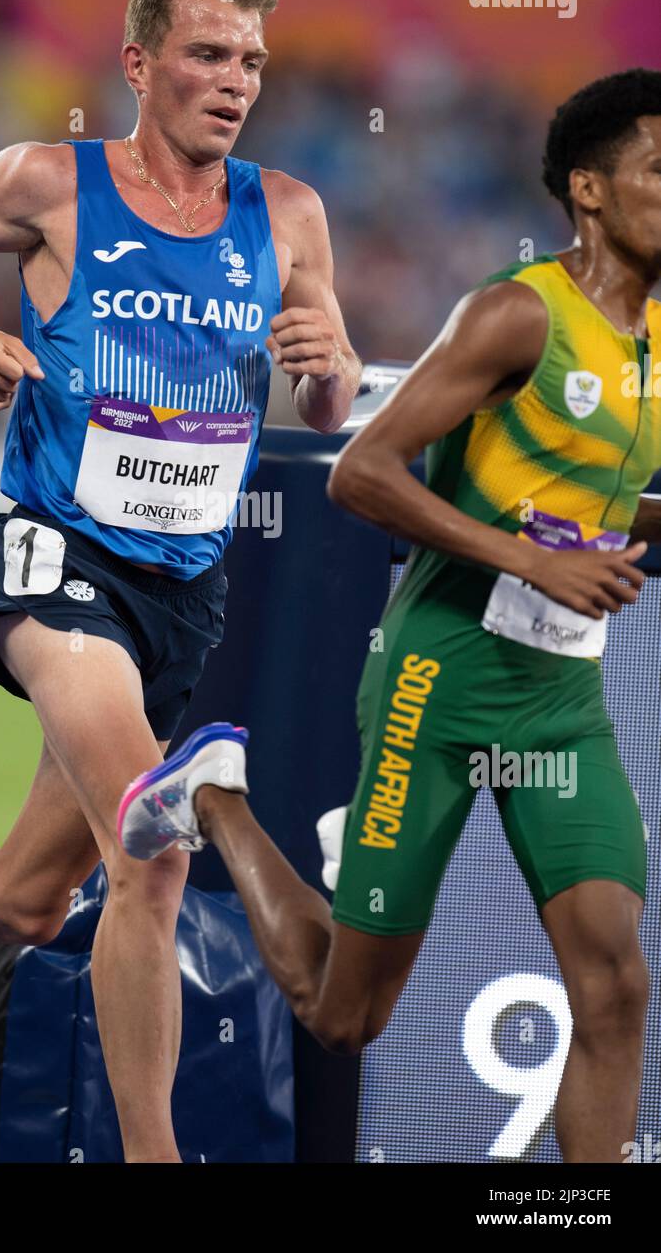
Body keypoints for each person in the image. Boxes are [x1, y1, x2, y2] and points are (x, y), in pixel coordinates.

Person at [0, 0, 360, 1164]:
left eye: (251, 61)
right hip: (61, 563)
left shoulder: (289, 214)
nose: (235, 81)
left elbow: (328, 401)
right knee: (149, 854)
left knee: (24, 899)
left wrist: (329, 374)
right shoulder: (50, 182)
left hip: (184, 592)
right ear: (139, 62)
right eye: (208, 54)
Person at [119, 68, 661, 1163]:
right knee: (341, 1014)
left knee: (612, 985)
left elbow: (605, 498)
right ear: (589, 190)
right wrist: (523, 557)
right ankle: (215, 799)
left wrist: (595, 542)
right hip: (442, 679)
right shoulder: (518, 313)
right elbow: (360, 472)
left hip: (559, 701)